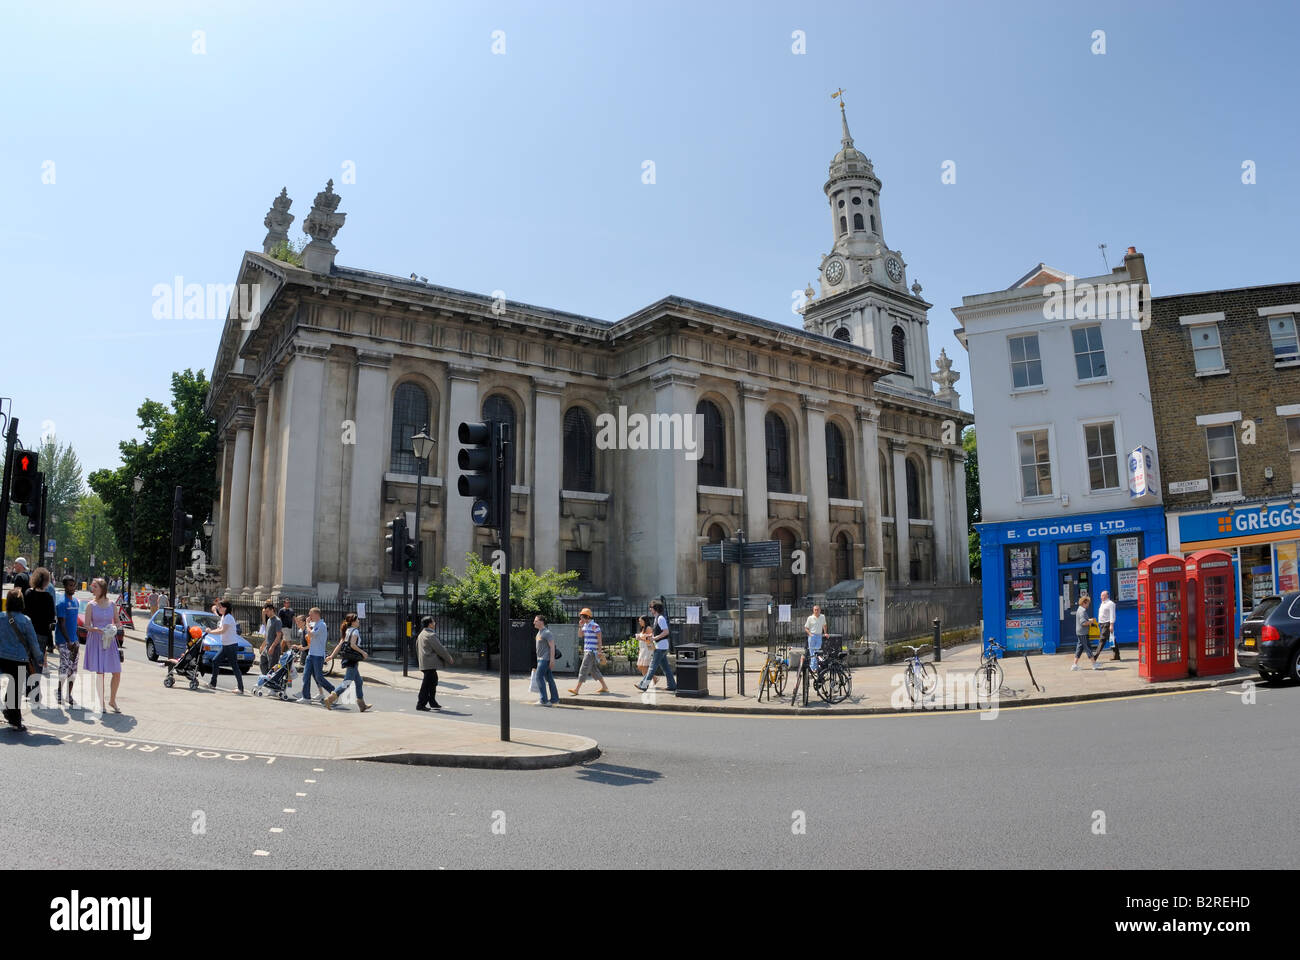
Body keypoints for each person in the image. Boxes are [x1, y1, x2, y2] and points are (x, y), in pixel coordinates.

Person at [0, 587, 45, 731]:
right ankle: (15, 721)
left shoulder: (1, 617)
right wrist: (39, 657)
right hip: (19, 658)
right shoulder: (25, 620)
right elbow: (32, 642)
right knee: (15, 689)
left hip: (1, 656)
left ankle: (10, 713)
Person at [82, 579, 121, 714]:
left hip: (110, 641)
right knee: (100, 673)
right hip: (97, 640)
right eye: (93, 587)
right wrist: (96, 629)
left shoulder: (112, 604)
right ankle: (101, 703)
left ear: (102, 589)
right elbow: (86, 625)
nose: (93, 589)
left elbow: (118, 622)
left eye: (95, 587)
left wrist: (113, 628)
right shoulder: (90, 605)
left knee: (117, 672)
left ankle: (112, 700)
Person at [324, 613, 370, 711]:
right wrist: (363, 652)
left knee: (359, 681)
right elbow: (353, 645)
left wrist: (331, 656)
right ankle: (330, 699)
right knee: (347, 682)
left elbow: (339, 645)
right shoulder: (355, 631)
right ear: (353, 622)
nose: (359, 622)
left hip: (348, 658)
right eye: (357, 620)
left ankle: (362, 705)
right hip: (352, 659)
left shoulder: (347, 631)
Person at [636, 601, 676, 693]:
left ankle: (643, 685)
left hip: (660, 647)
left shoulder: (660, 618)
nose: (650, 609)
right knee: (666, 668)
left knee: (652, 667)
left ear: (655, 609)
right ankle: (672, 685)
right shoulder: (657, 618)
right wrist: (651, 637)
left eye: (651, 608)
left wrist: (654, 638)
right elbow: (658, 631)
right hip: (661, 646)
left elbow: (666, 632)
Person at [569, 607, 610, 695]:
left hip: (591, 651)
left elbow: (599, 639)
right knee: (593, 670)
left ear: (587, 617)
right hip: (587, 650)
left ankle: (577, 689)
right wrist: (580, 626)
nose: (581, 618)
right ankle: (604, 687)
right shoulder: (585, 625)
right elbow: (580, 635)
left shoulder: (595, 625)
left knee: (583, 669)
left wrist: (599, 651)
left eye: (582, 617)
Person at [297, 607, 335, 704]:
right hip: (311, 654)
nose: (309, 616)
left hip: (318, 655)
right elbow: (308, 632)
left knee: (319, 677)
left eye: (311, 614)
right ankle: (306, 697)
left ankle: (334, 692)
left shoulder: (322, 625)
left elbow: (311, 634)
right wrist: (308, 625)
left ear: (317, 614)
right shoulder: (315, 624)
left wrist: (307, 624)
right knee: (306, 676)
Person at [416, 616, 453, 711]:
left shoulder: (421, 634)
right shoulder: (430, 635)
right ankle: (420, 704)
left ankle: (432, 702)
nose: (435, 623)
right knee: (426, 685)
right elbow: (439, 649)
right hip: (430, 663)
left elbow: (416, 648)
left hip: (425, 663)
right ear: (430, 624)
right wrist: (449, 658)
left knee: (433, 682)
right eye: (433, 622)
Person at [207, 599, 244, 693]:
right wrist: (216, 607)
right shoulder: (224, 616)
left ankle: (240, 688)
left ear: (225, 608)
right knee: (215, 661)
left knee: (234, 666)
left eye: (221, 607)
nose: (219, 608)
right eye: (219, 607)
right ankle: (213, 683)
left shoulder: (228, 617)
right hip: (226, 645)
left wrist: (210, 632)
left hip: (230, 645)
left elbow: (222, 630)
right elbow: (219, 628)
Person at [55, 577, 80, 707]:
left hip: (74, 640)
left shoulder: (76, 601)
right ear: (65, 587)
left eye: (74, 585)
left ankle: (69, 695)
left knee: (73, 669)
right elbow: (61, 624)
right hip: (63, 641)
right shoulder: (61, 603)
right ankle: (59, 691)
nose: (73, 587)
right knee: (64, 667)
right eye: (70, 585)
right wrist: (68, 641)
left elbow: (74, 622)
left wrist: (75, 640)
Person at [24, 568, 57, 657]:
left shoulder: (28, 593)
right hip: (42, 633)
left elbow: (24, 612)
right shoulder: (48, 597)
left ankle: (21, 672)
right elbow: (51, 617)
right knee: (38, 661)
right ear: (47, 581)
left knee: (23, 660)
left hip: (27, 631)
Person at [534, 613, 559, 705]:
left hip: (545, 659)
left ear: (541, 622)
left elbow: (552, 647)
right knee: (549, 679)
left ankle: (544, 700)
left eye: (536, 621)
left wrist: (552, 660)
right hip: (540, 659)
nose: (534, 622)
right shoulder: (539, 632)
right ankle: (555, 699)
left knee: (539, 677)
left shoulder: (547, 633)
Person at [1071, 595, 1098, 671]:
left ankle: (1074, 665)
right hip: (1083, 632)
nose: (1088, 605)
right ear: (1084, 603)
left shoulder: (1079, 609)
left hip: (1080, 632)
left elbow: (1083, 620)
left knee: (1079, 649)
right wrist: (1091, 621)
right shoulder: (1082, 611)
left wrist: (1089, 620)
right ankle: (1094, 664)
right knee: (1088, 648)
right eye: (1088, 603)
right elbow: (1083, 623)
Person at [260, 601, 282, 674]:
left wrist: (272, 647)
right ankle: (267, 679)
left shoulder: (277, 621)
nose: (266, 613)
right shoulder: (269, 620)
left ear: (272, 610)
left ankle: (272, 682)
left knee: (272, 667)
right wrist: (263, 645)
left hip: (274, 648)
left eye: (267, 611)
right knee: (262, 662)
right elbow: (267, 635)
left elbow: (279, 636)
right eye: (265, 612)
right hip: (267, 647)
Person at [1097, 590, 1119, 661]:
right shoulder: (1102, 603)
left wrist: (1111, 625)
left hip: (1107, 624)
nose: (1101, 597)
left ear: (1107, 596)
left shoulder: (1110, 603)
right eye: (1101, 595)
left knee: (1102, 640)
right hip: (1102, 624)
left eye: (1103, 595)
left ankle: (1095, 656)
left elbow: (1112, 615)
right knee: (1111, 639)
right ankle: (1117, 656)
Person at [804, 604, 827, 672]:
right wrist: (810, 634)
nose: (816, 611)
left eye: (818, 610)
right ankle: (815, 667)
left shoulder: (822, 617)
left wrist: (825, 633)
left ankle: (812, 667)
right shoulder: (810, 618)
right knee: (812, 652)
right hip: (812, 636)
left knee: (816, 651)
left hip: (819, 635)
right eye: (815, 610)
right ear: (813, 611)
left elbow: (824, 625)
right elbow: (806, 628)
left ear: (820, 610)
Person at [634, 615, 655, 684]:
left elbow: (650, 639)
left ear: (645, 621)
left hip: (647, 649)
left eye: (641, 621)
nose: (639, 622)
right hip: (643, 649)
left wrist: (640, 638)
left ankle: (646, 683)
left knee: (644, 666)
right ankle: (654, 678)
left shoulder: (648, 628)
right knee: (640, 666)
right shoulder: (643, 628)